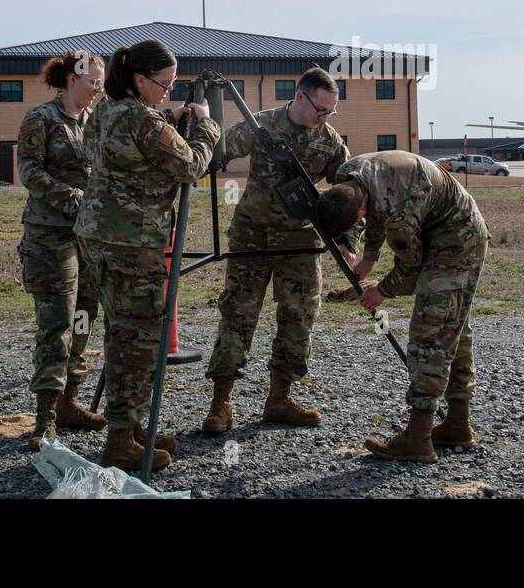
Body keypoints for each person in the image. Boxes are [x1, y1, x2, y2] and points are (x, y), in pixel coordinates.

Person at [74, 41, 219, 472]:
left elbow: (108, 150)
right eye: (164, 84)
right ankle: (121, 441)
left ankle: (135, 429)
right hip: (132, 244)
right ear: (140, 79)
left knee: (123, 333)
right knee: (137, 343)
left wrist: (169, 121)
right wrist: (206, 127)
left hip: (98, 236)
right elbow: (191, 165)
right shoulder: (141, 118)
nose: (169, 92)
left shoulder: (106, 109)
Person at [200, 67, 351, 434]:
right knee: (238, 313)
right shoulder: (261, 125)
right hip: (252, 235)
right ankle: (221, 404)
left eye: (331, 112)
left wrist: (349, 239)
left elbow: (349, 191)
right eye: (321, 109)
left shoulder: (330, 141)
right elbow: (219, 152)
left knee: (299, 317)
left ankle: (280, 399)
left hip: (300, 239)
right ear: (300, 97)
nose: (325, 117)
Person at [316, 150, 488, 464]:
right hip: (433, 224)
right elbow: (377, 210)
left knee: (431, 330)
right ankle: (457, 426)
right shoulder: (350, 176)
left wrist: (380, 292)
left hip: (457, 239)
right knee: (453, 328)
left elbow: (410, 270)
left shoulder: (400, 213)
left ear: (360, 212)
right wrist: (369, 257)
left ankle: (418, 439)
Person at [17, 50, 106, 452]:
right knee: (57, 325)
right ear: (73, 79)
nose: (98, 90)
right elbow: (29, 172)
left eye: (102, 84)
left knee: (86, 315)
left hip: (87, 237)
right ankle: (45, 417)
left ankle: (71, 400)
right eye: (93, 82)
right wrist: (73, 198)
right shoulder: (42, 118)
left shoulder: (94, 122)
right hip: (50, 236)